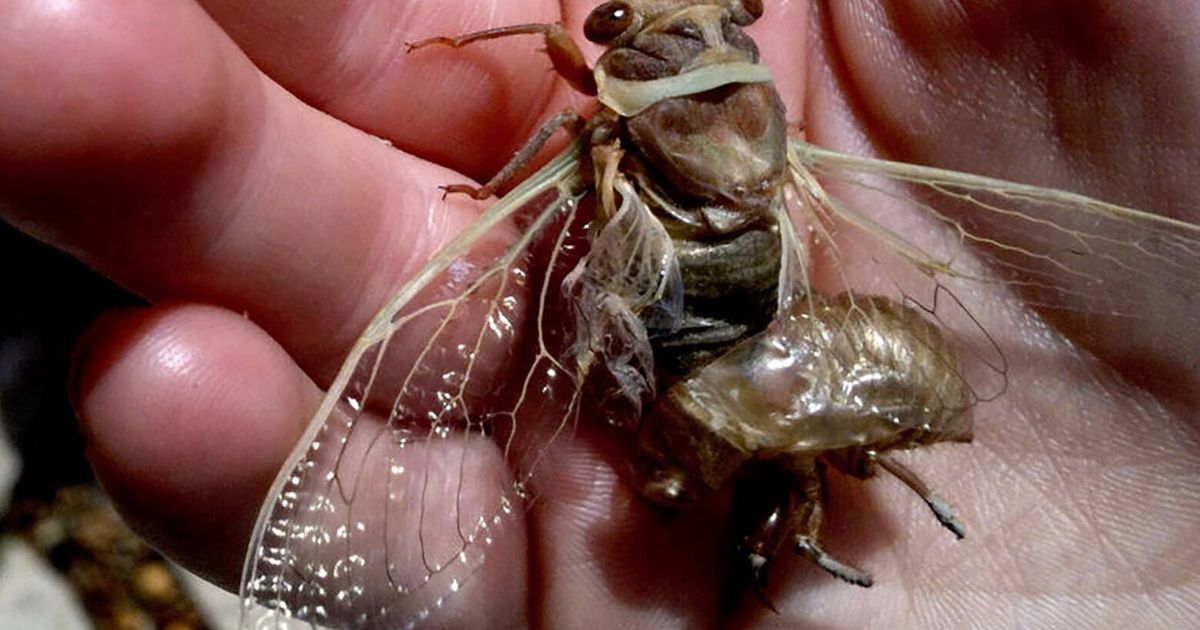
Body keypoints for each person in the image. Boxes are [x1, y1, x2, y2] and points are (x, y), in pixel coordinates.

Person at [2, 1, 1197, 627]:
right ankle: (784, 476)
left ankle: (769, 471)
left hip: (667, 301)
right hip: (753, 274)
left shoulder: (592, 121)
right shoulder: (733, 119)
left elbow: (537, 136)